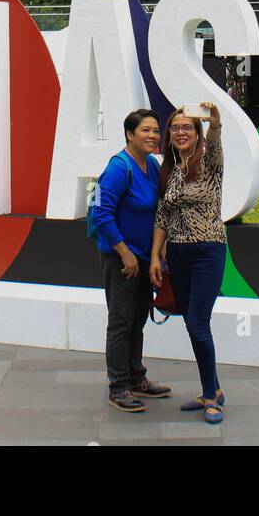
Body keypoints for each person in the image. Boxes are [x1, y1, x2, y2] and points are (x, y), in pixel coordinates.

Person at [90, 109, 173, 412]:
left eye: (155, 130)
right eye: (145, 131)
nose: (153, 136)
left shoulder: (152, 165)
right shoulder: (118, 168)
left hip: (144, 257)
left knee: (138, 319)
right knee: (121, 322)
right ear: (129, 134)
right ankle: (118, 387)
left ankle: (136, 378)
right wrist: (125, 253)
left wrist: (157, 251)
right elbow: (100, 212)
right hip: (121, 259)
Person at [151, 101, 226, 425]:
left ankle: (210, 397)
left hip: (208, 250)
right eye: (176, 128)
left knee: (198, 323)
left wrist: (215, 121)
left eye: (187, 128)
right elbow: (162, 216)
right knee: (191, 324)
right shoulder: (169, 170)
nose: (181, 132)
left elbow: (216, 140)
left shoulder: (209, 163)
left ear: (197, 133)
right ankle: (214, 389)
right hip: (177, 255)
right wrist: (155, 255)